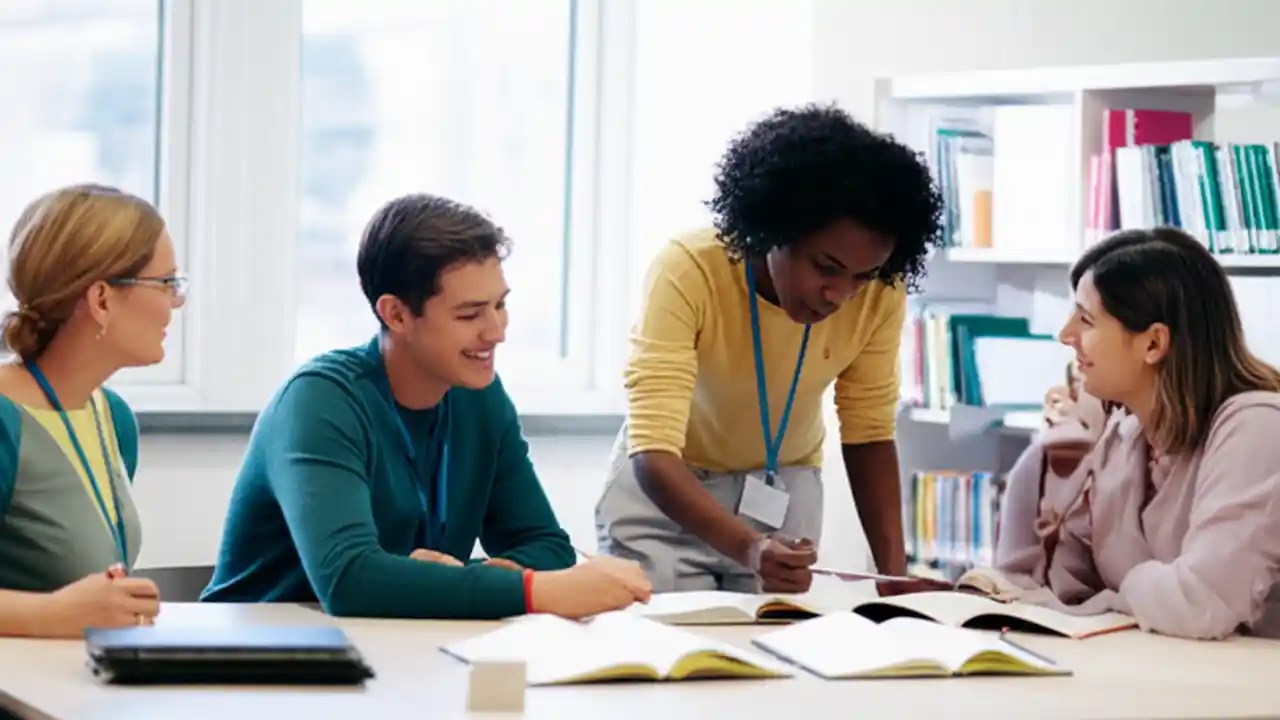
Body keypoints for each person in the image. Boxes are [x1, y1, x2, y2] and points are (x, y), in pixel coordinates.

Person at [202, 193, 651, 619]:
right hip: (256, 670)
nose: (497, 332)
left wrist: (462, 580)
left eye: (500, 305)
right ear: (396, 315)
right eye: (470, 314)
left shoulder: (480, 396)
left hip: (394, 653)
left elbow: (544, 544)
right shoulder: (318, 401)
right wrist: (536, 591)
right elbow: (350, 579)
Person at [595, 104, 943, 593]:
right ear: (773, 230)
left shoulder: (881, 293)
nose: (840, 295)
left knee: (775, 660)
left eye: (862, 276)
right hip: (669, 496)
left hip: (784, 491)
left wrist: (893, 574)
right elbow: (652, 449)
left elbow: (868, 431)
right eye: (826, 267)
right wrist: (748, 547)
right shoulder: (690, 270)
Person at [996, 227, 1280, 640]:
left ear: (1153, 344)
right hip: (1160, 680)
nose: (1066, 335)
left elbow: (1202, 603)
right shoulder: (1126, 433)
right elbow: (1068, 589)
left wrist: (1118, 597)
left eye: (1086, 319)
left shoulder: (1257, 426)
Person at [0, 184, 182, 637]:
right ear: (102, 299)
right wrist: (54, 615)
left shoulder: (113, 419)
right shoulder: (5, 420)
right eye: (166, 283)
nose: (176, 300)